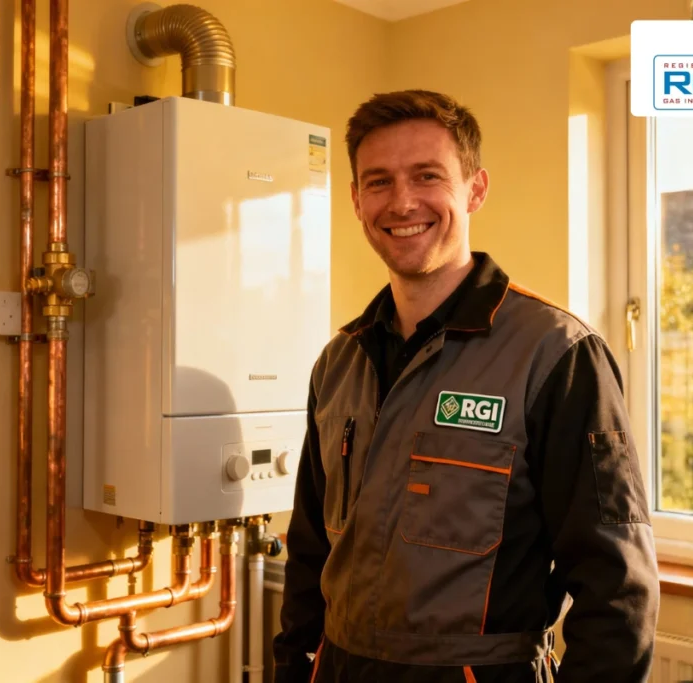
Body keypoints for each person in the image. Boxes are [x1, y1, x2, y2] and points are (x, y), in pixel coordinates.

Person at [272, 89, 660, 683]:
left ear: (475, 188)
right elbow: (308, 556)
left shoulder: (556, 354)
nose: (402, 202)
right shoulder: (338, 362)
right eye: (378, 182)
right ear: (355, 200)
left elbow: (618, 585)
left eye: (427, 176)